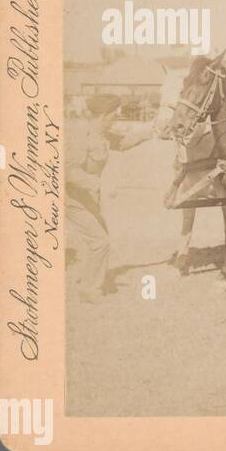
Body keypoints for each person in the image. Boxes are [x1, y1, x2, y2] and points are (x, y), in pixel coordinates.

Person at [66, 94, 155, 302]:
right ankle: (89, 289)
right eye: (114, 116)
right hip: (72, 199)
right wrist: (100, 184)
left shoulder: (102, 134)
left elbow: (123, 142)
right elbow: (68, 171)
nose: (116, 119)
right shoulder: (82, 134)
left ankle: (90, 282)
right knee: (100, 241)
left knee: (99, 240)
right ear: (103, 116)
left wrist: (152, 131)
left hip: (88, 198)